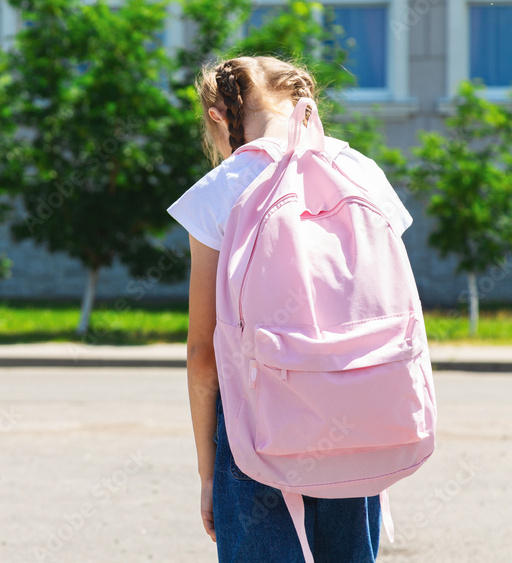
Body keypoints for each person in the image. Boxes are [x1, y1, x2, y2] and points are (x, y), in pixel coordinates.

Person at [166, 56, 414, 562]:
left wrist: (207, 472)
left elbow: (202, 352)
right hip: (356, 419)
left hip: (255, 430)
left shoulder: (221, 190)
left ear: (218, 115)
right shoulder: (362, 171)